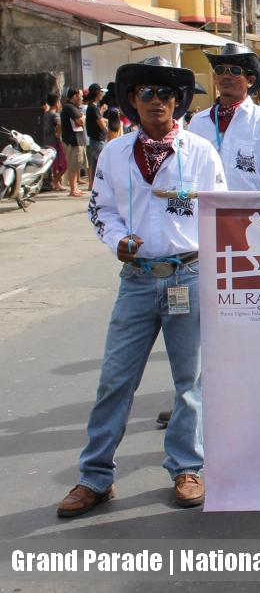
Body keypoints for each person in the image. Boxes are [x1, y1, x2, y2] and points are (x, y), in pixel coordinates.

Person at [56, 57, 227, 518]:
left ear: (178, 101)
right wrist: (117, 241)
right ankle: (95, 476)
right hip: (136, 280)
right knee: (115, 379)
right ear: (132, 101)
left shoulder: (200, 152)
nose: (157, 101)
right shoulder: (113, 153)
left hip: (187, 276)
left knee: (189, 383)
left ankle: (187, 468)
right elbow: (101, 209)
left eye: (166, 93)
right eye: (147, 93)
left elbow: (219, 210)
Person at [188, 43, 260, 194]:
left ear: (250, 80)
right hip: (209, 212)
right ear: (215, 77)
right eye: (220, 70)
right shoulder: (198, 122)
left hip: (252, 213)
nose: (226, 76)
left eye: (235, 71)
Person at [60, 87, 88, 197]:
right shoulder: (69, 107)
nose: (82, 98)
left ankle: (75, 188)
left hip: (78, 139)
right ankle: (73, 189)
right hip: (72, 140)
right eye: (80, 96)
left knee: (77, 165)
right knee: (72, 165)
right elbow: (80, 121)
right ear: (74, 96)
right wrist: (84, 116)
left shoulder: (75, 107)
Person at [85, 83, 108, 192]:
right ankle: (101, 187)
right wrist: (104, 120)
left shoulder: (93, 108)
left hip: (95, 140)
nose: (102, 94)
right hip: (98, 140)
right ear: (97, 93)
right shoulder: (93, 108)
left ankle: (95, 186)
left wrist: (101, 113)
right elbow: (102, 125)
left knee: (96, 165)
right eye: (101, 92)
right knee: (102, 164)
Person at [43, 92, 68, 191]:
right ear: (57, 103)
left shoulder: (46, 114)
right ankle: (55, 181)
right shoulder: (55, 114)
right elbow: (59, 124)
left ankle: (56, 182)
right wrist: (58, 134)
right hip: (56, 141)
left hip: (48, 141)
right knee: (64, 164)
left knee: (54, 163)